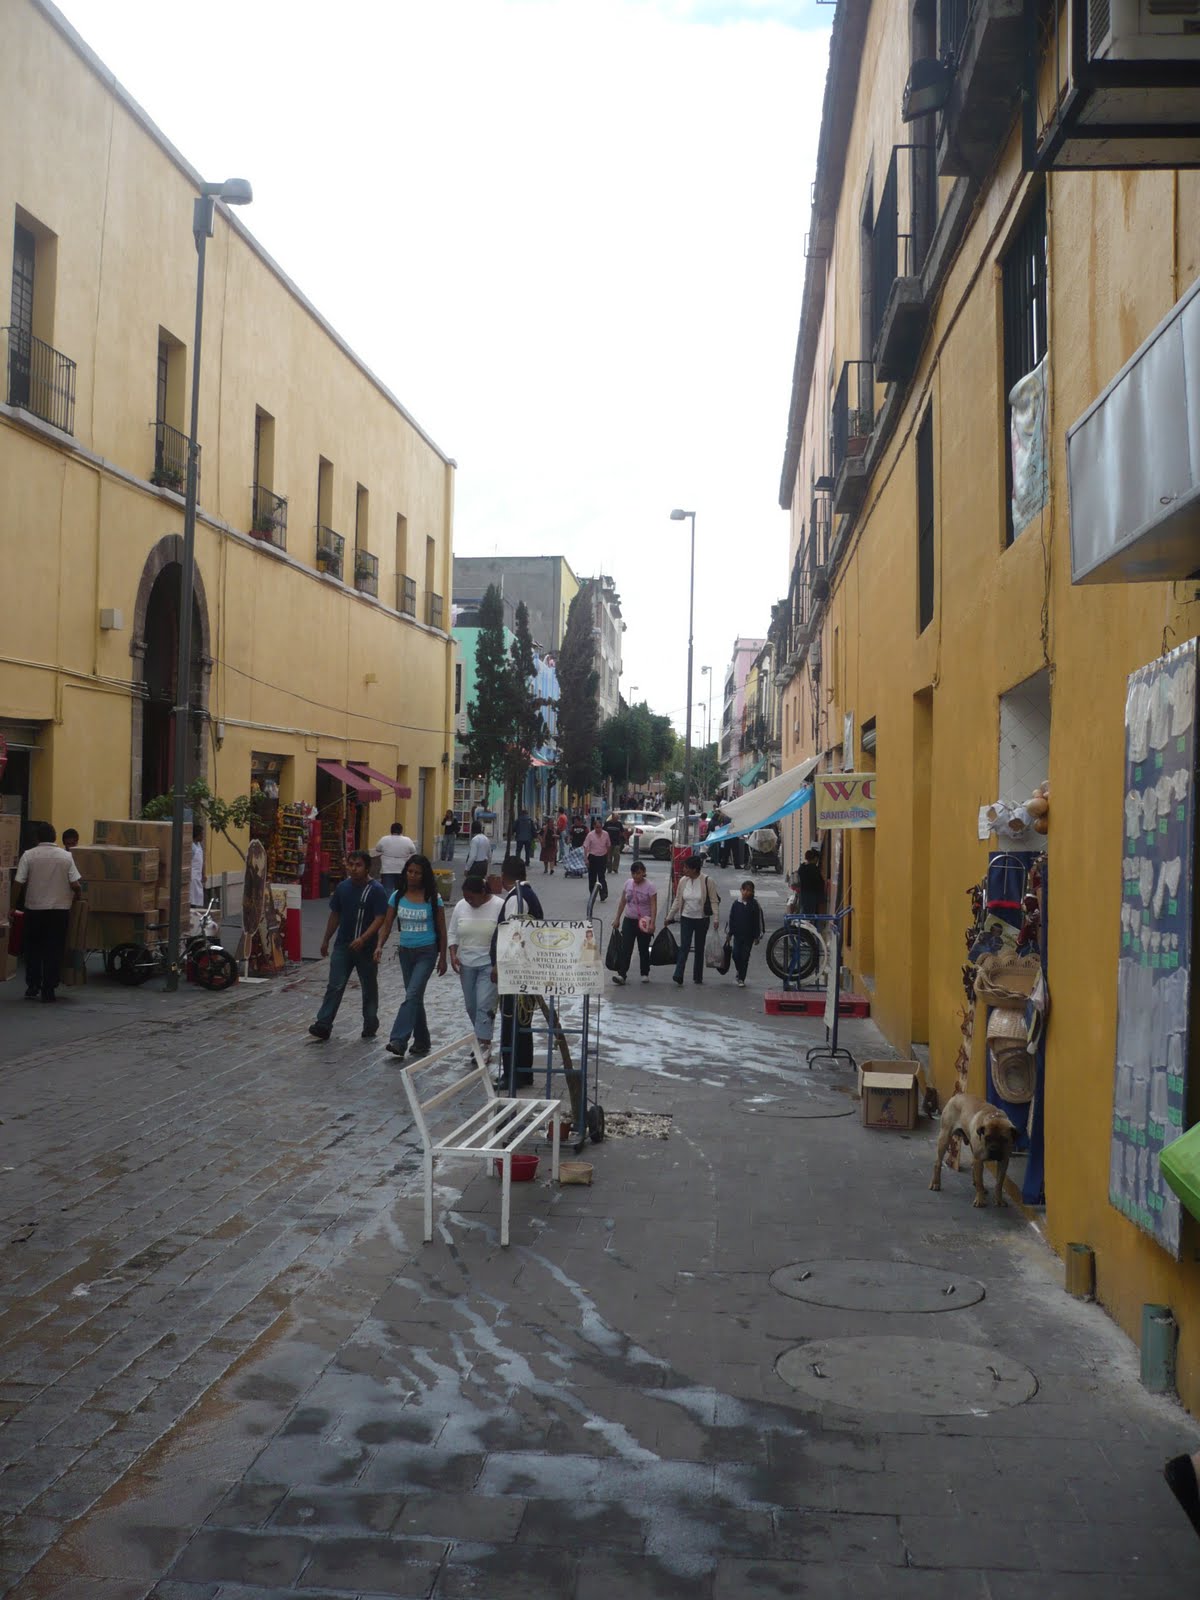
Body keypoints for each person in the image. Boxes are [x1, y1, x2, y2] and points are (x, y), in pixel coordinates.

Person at [308, 850, 389, 1040]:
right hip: (343, 945)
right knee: (335, 985)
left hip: (366, 948)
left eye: (358, 865)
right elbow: (335, 915)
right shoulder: (343, 888)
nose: (353, 868)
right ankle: (323, 1023)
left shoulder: (375, 890)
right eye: (350, 864)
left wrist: (364, 938)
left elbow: (380, 918)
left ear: (367, 867)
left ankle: (370, 1022)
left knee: (368, 986)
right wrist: (326, 939)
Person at [377, 855, 447, 1060]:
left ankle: (399, 1039)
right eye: (410, 871)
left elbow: (442, 930)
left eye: (417, 872)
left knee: (412, 994)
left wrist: (443, 958)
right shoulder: (397, 896)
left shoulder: (434, 899)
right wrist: (379, 946)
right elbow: (387, 925)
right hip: (405, 953)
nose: (413, 876)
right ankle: (423, 1040)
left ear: (424, 875)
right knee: (414, 997)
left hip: (427, 952)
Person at [489, 857, 545, 1090]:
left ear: (504, 875)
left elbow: (513, 934)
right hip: (524, 970)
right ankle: (523, 1072)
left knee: (513, 1023)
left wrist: (499, 966)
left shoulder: (517, 899)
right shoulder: (525, 894)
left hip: (517, 972)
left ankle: (513, 1073)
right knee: (522, 1025)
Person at [13, 822, 82, 1002]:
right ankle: (49, 989)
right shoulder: (66, 857)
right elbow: (75, 884)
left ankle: (33, 985)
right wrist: (78, 897)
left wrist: (12, 906)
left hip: (34, 909)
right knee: (54, 949)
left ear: (37, 838)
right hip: (59, 911)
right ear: (54, 837)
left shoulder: (29, 855)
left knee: (33, 949)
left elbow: (19, 882)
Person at [448, 874, 503, 1065]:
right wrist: (453, 953)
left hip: (489, 964)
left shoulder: (498, 906)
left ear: (482, 892)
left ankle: (484, 1044)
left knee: (484, 1005)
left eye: (472, 897)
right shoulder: (461, 906)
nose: (469, 901)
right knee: (471, 1005)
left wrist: (499, 963)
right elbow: (453, 932)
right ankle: (482, 1036)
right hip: (467, 964)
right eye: (466, 897)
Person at [665, 854, 721, 986]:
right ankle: (678, 974)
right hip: (686, 918)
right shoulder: (683, 881)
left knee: (699, 947)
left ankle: (698, 976)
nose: (684, 870)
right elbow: (678, 900)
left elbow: (714, 901)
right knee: (684, 946)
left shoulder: (708, 881)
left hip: (702, 919)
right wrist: (669, 917)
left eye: (687, 868)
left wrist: (716, 918)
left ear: (695, 869)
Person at [611, 859, 657, 985]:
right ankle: (622, 974)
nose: (636, 876)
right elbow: (622, 902)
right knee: (626, 948)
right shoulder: (628, 884)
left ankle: (644, 972)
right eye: (634, 873)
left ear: (643, 872)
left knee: (643, 948)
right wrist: (617, 918)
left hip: (644, 921)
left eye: (638, 873)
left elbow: (653, 905)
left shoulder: (650, 886)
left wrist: (653, 922)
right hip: (629, 920)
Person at [727, 880, 766, 987]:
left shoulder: (754, 905)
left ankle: (741, 978)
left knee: (745, 957)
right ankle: (739, 970)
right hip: (737, 935)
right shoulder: (736, 904)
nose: (747, 893)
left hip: (749, 937)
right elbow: (732, 919)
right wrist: (729, 934)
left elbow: (758, 921)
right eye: (745, 890)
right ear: (741, 890)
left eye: (750, 891)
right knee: (735, 955)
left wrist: (758, 936)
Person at [376, 821, 416, 896]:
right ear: (401, 830)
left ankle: (388, 905)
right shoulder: (407, 840)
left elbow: (378, 849)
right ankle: (398, 904)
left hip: (387, 869)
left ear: (391, 830)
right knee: (400, 889)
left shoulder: (384, 839)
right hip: (402, 868)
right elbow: (413, 850)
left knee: (387, 890)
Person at [584, 816, 611, 901]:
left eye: (600, 827)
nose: (598, 829)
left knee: (601, 876)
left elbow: (608, 845)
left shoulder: (606, 834)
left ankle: (603, 894)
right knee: (592, 877)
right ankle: (593, 894)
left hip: (602, 857)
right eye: (596, 827)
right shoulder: (590, 835)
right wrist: (586, 859)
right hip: (593, 857)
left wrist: (608, 857)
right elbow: (585, 847)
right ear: (594, 827)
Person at [798, 846, 826, 915]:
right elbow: (819, 883)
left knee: (804, 912)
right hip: (812, 896)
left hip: (803, 894)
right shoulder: (813, 869)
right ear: (815, 858)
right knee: (810, 914)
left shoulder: (802, 867)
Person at [604, 811, 625, 875]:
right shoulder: (607, 823)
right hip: (608, 842)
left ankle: (615, 868)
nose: (617, 819)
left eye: (617, 818)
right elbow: (604, 832)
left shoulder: (619, 824)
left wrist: (623, 840)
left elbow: (622, 832)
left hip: (617, 842)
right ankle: (609, 868)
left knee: (616, 855)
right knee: (608, 856)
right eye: (616, 817)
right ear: (612, 817)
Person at [190, 824, 205, 908]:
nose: (203, 836)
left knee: (196, 898)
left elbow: (202, 861)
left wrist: (203, 873)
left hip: (198, 876)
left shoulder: (198, 845)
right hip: (192, 877)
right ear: (197, 835)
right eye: (202, 834)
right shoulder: (191, 847)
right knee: (191, 898)